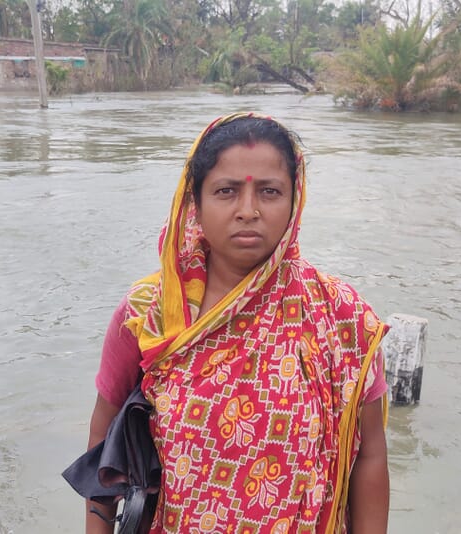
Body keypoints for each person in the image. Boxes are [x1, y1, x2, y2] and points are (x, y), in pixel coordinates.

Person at [85, 113, 390, 533]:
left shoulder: (340, 316)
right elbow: (103, 439)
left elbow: (370, 454)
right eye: (226, 191)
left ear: (294, 200)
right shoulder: (149, 315)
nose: (249, 211)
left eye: (269, 191)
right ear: (195, 202)